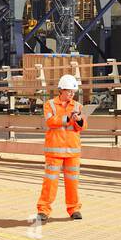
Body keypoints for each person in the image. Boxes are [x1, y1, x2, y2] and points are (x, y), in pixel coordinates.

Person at [37, 73, 85, 223]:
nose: (71, 94)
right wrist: (67, 118)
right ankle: (43, 210)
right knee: (50, 182)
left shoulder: (78, 106)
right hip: (55, 151)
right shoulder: (49, 105)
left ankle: (74, 209)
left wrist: (79, 120)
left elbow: (81, 127)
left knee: (73, 182)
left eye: (73, 92)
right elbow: (51, 121)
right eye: (69, 91)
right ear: (61, 90)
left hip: (72, 151)